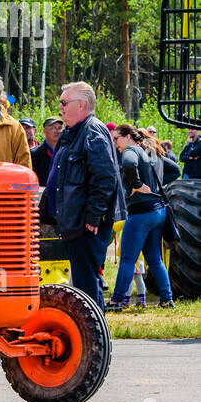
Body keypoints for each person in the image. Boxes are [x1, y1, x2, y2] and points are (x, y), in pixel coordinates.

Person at [43, 82, 125, 307]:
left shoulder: (92, 130)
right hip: (74, 221)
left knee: (87, 283)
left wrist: (93, 215)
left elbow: (105, 176)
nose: (60, 107)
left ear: (81, 104)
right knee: (82, 282)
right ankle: (91, 332)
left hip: (86, 224)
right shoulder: (73, 131)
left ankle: (94, 335)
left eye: (64, 102)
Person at [106, 122, 173, 311]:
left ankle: (116, 300)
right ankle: (167, 299)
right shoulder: (151, 153)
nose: (115, 143)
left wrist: (136, 184)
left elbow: (128, 164)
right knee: (155, 259)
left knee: (127, 259)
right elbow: (175, 169)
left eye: (117, 138)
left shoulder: (131, 151)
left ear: (128, 137)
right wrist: (152, 184)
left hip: (141, 214)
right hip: (158, 211)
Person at [31, 116, 62, 185]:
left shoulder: (67, 151)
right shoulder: (35, 154)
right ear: (44, 131)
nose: (57, 131)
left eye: (60, 128)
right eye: (53, 128)